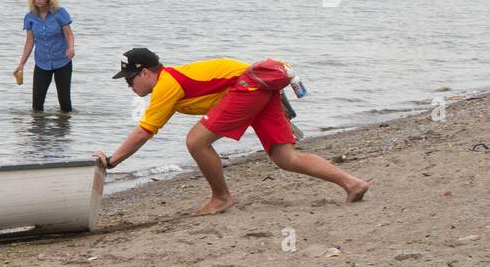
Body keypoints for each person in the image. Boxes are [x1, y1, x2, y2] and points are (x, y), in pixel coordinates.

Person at [94, 48, 370, 214]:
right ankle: (352, 183)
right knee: (285, 157)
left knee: (196, 141)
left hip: (249, 87)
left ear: (145, 73)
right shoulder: (172, 81)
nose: (129, 86)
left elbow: (144, 131)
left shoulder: (167, 83)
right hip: (258, 87)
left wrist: (112, 161)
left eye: (129, 80)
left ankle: (221, 197)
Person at [14, 0, 75, 112]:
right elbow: (29, 42)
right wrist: (21, 64)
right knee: (36, 106)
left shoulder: (59, 13)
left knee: (65, 104)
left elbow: (69, 34)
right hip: (42, 64)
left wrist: (71, 48)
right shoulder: (30, 17)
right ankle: (37, 131)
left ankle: (64, 130)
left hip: (62, 61)